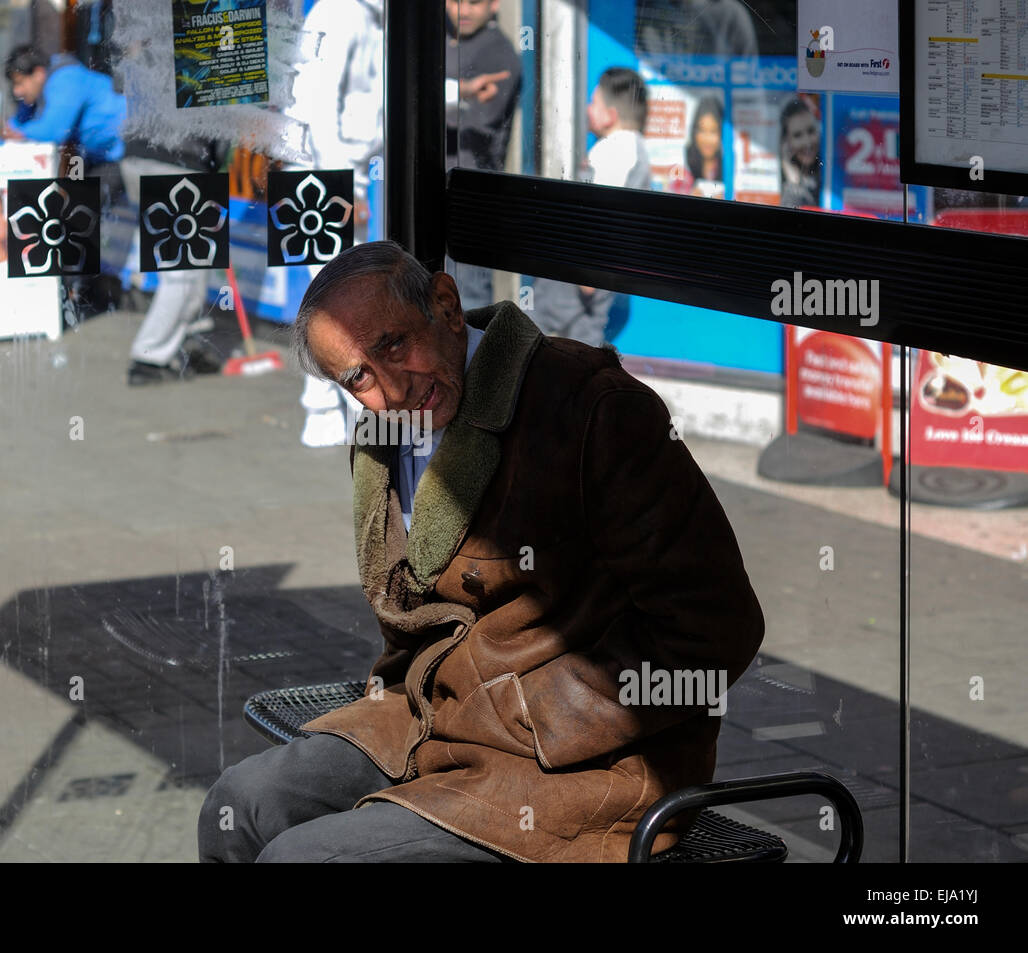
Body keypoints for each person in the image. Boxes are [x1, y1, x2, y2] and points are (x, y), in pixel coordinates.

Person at [197, 240, 765, 862]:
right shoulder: (384, 433)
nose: (389, 388)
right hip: (430, 725)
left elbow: (716, 629)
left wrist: (529, 715)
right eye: (358, 376)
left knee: (304, 860)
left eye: (392, 345)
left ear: (445, 304)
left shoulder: (592, 408)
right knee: (240, 807)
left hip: (574, 771)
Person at [282, 0, 384, 447]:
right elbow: (317, 106)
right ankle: (340, 417)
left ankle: (324, 416)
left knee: (328, 299)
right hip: (321, 178)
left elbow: (380, 95)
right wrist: (339, 189)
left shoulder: (366, 16)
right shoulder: (340, 14)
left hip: (327, 175)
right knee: (339, 304)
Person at [2, 44, 128, 322]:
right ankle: (76, 291)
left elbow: (53, 130)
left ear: (37, 74)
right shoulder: (49, 81)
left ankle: (70, 297)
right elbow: (19, 123)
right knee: (75, 218)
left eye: (20, 83)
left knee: (77, 219)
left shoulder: (66, 79)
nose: (17, 92)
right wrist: (9, 132)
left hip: (125, 152)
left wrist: (12, 132)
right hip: (98, 155)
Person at [531, 67, 651, 347]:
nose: (587, 108)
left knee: (568, 348)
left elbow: (600, 218)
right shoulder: (636, 150)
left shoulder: (614, 152)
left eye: (593, 102)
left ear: (610, 115)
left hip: (577, 289)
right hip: (587, 286)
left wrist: (589, 273)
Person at [119, 135, 228, 385]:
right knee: (182, 273)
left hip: (139, 157)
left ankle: (188, 342)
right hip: (177, 163)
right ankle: (149, 357)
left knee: (191, 264)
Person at [445, 0, 521, 311]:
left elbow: (476, 121)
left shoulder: (498, 52)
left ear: (495, 4)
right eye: (454, 1)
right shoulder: (437, 40)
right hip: (430, 200)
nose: (462, 11)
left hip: (469, 203)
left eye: (474, 3)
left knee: (466, 307)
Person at [779, 96, 821, 209]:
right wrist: (794, 182)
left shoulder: (826, 178)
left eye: (811, 131)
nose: (807, 142)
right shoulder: (781, 184)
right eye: (798, 135)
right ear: (786, 143)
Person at [684, 95, 724, 195]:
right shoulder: (686, 159)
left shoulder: (728, 165)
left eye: (713, 131)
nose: (707, 139)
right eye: (702, 131)